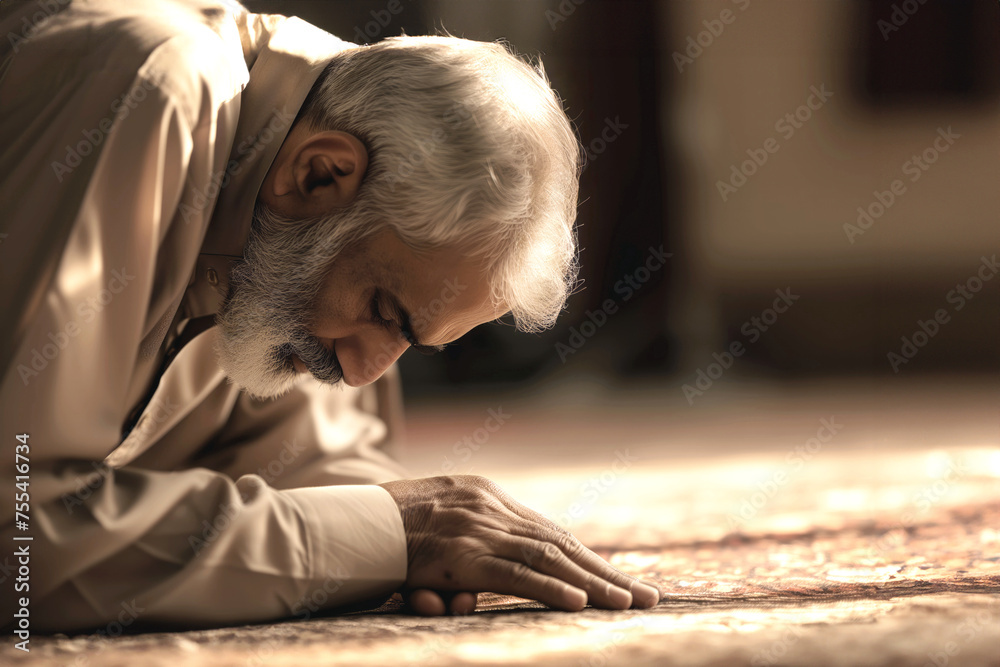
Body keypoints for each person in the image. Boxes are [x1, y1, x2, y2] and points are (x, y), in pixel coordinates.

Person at [0, 0, 660, 632]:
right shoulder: (160, 94)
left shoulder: (307, 176)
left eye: (412, 343)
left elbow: (321, 460)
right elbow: (19, 538)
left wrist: (411, 544)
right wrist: (392, 534)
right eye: (384, 312)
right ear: (320, 174)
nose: (365, 373)